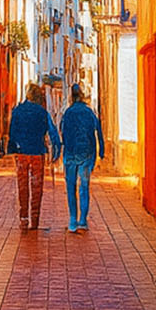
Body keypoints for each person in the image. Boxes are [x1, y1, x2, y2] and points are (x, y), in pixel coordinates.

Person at [6, 82, 61, 229]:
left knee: (22, 185)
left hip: (22, 153)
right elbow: (53, 133)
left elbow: (12, 132)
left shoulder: (17, 110)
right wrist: (56, 152)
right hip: (37, 152)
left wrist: (13, 149)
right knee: (37, 186)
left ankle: (24, 218)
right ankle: (35, 220)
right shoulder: (42, 112)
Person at [60, 83, 105, 233]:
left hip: (70, 153)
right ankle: (83, 221)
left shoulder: (68, 113)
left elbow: (62, 131)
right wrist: (101, 151)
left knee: (71, 186)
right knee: (84, 186)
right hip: (86, 153)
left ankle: (73, 220)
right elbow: (98, 131)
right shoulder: (89, 112)